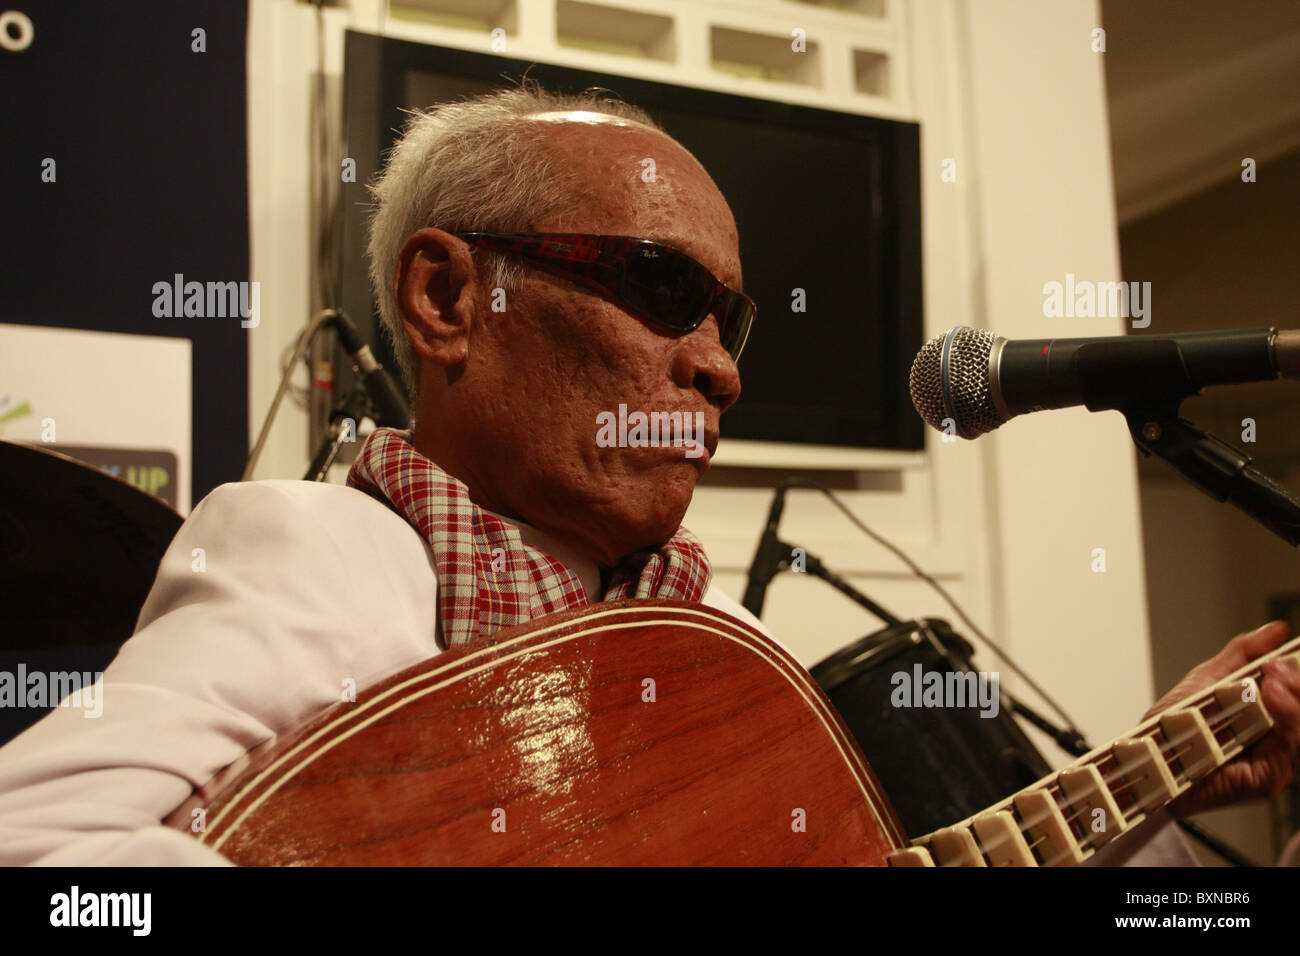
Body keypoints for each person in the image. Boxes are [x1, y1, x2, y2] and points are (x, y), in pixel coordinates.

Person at [0, 86, 1296, 866]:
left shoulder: (710, 646)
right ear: (449, 297)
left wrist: (1154, 766)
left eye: (727, 323)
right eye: (664, 289)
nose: (718, 372)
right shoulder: (336, 552)